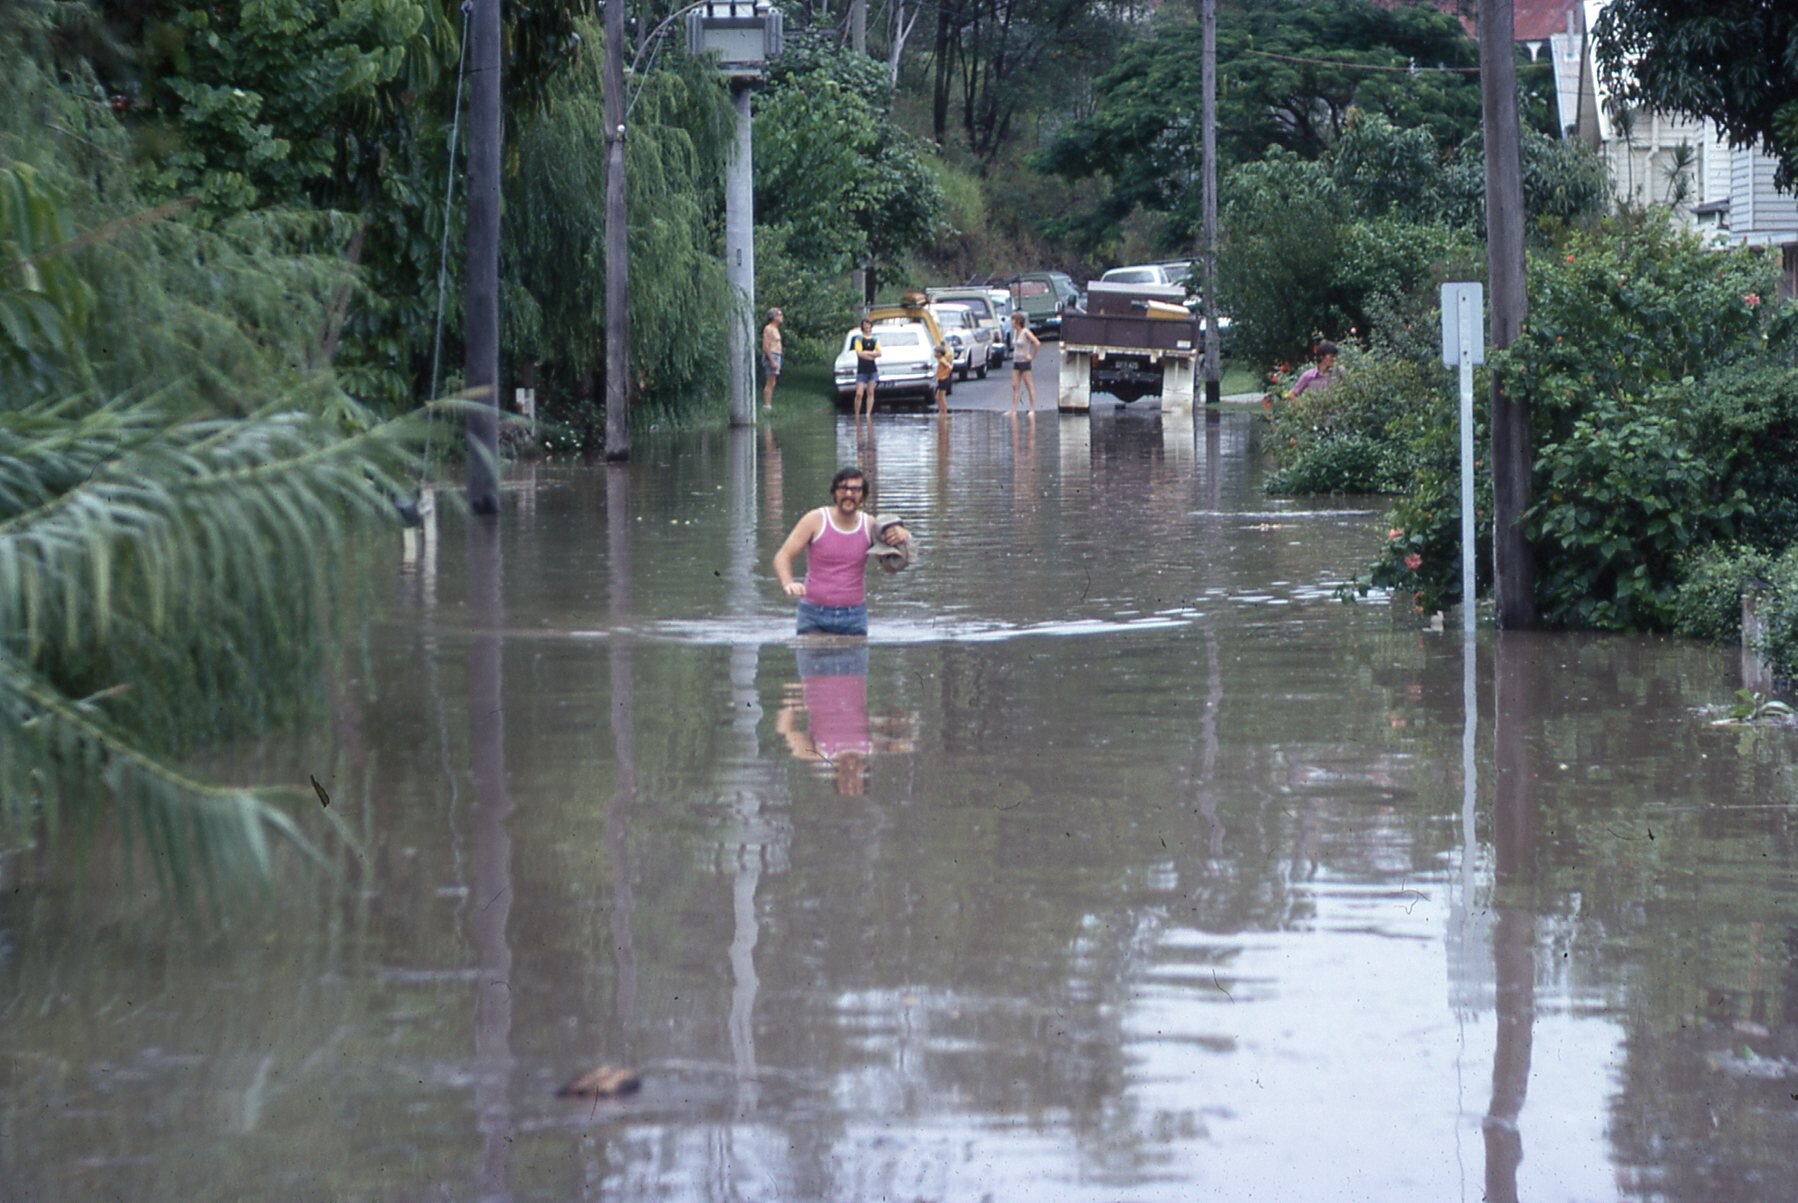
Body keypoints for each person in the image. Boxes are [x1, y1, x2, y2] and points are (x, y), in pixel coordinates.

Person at [772, 466, 910, 636]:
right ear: (834, 492)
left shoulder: (870, 525)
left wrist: (904, 536)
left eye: (855, 489)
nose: (849, 494)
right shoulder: (815, 520)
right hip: (813, 615)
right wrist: (788, 582)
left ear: (863, 496)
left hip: (854, 617)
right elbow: (783, 556)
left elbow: (894, 565)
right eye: (843, 488)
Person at [1009, 310, 1041, 416]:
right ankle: (1013, 409)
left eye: (1012, 320)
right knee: (1015, 386)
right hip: (1016, 361)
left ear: (1017, 321)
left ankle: (1032, 409)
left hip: (1024, 362)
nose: (1011, 322)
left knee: (1029, 385)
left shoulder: (1025, 332)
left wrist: (1031, 356)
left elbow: (1037, 343)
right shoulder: (1015, 332)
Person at [849, 318, 881, 420]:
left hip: (872, 369)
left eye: (868, 324)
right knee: (859, 393)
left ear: (871, 326)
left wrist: (866, 353)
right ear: (862, 327)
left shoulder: (875, 339)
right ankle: (857, 413)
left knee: (870, 392)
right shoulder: (859, 339)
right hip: (862, 369)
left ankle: (868, 414)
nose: (866, 326)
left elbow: (879, 353)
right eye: (864, 324)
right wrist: (871, 355)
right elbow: (859, 354)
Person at [760, 307, 784, 411]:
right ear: (773, 317)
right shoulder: (768, 328)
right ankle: (766, 405)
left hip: (777, 355)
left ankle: (769, 404)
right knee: (769, 382)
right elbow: (766, 346)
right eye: (779, 315)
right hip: (772, 356)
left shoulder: (776, 329)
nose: (781, 317)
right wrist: (771, 360)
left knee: (773, 382)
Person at [933, 341, 954, 415]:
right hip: (940, 379)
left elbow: (949, 367)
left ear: (939, 353)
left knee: (942, 396)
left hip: (943, 380)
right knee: (937, 396)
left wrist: (946, 375)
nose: (934, 354)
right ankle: (940, 409)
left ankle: (943, 410)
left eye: (936, 352)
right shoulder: (940, 360)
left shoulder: (942, 360)